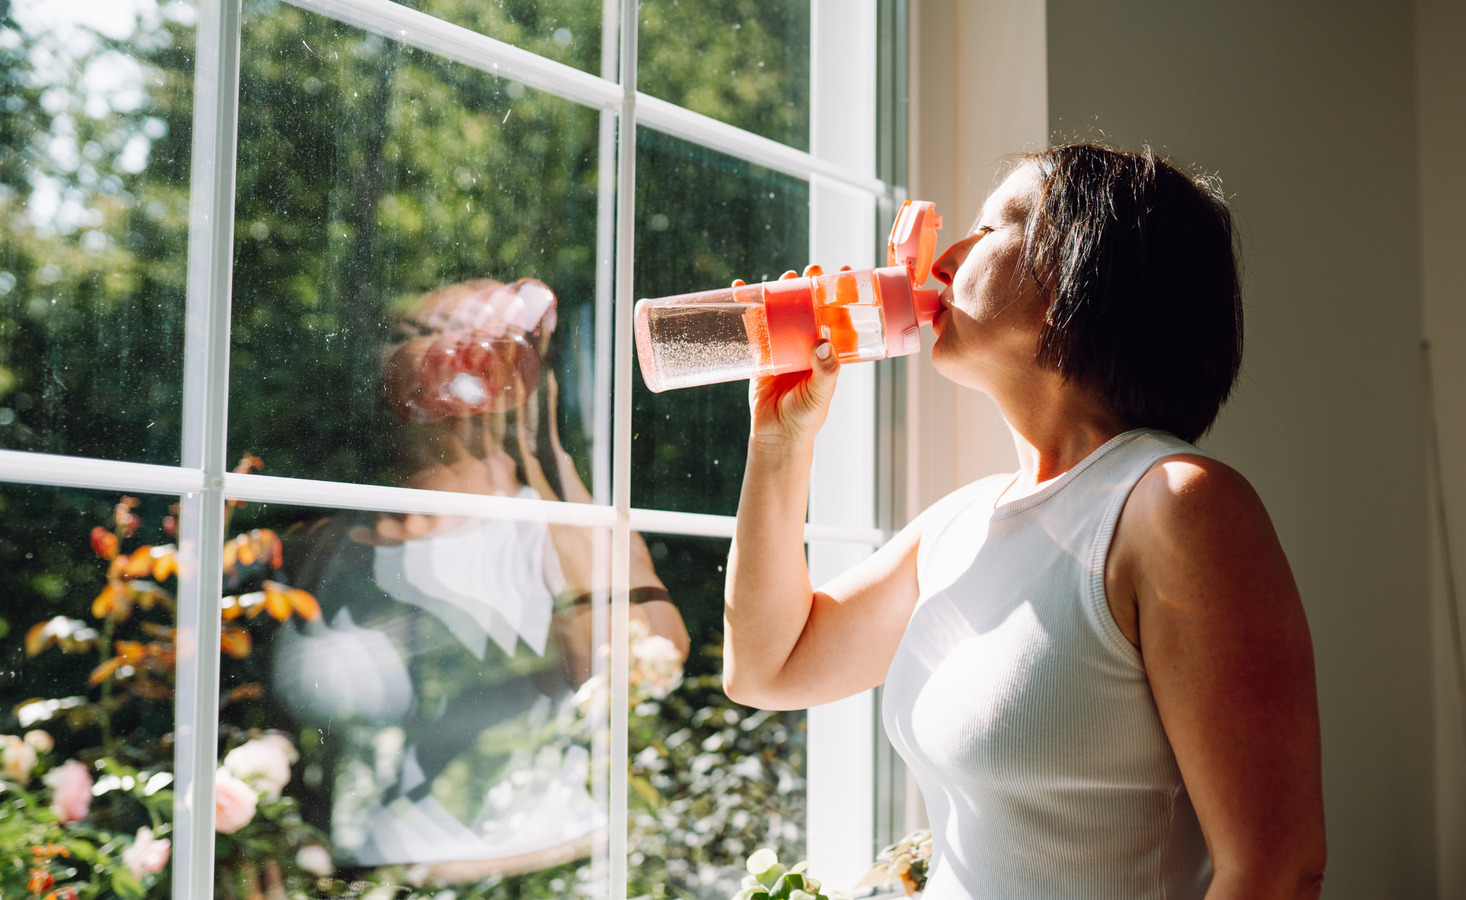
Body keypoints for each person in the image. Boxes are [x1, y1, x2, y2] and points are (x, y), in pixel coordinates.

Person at [722, 144, 1325, 899]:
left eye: (990, 227)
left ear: (1085, 272)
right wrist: (780, 443)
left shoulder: (1177, 505)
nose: (945, 258)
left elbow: (1274, 871)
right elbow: (767, 667)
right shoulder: (960, 525)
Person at [275, 278, 688, 881]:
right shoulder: (328, 546)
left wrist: (542, 448)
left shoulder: (558, 528)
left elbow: (639, 674)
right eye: (425, 333)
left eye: (480, 338)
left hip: (544, 877)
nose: (459, 353)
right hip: (359, 882)